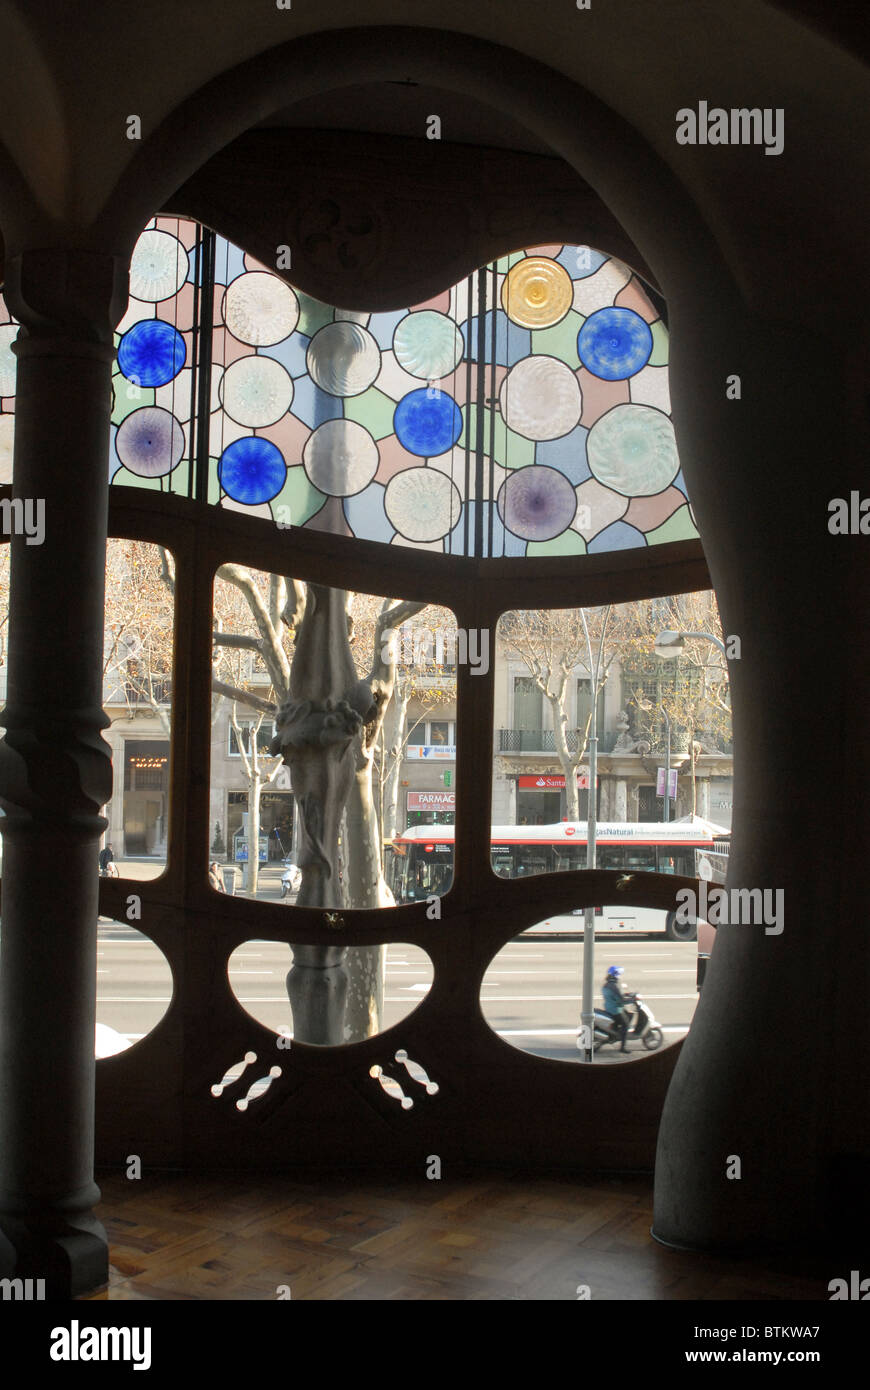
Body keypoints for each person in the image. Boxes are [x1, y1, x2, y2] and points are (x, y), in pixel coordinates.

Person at [602, 965, 631, 1053]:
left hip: (608, 1007)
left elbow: (615, 996)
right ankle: (623, 1047)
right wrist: (631, 1000)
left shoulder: (607, 984)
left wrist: (626, 995)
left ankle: (615, 1033)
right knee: (626, 1024)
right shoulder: (614, 986)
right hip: (615, 1010)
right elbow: (621, 1001)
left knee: (625, 1015)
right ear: (616, 975)